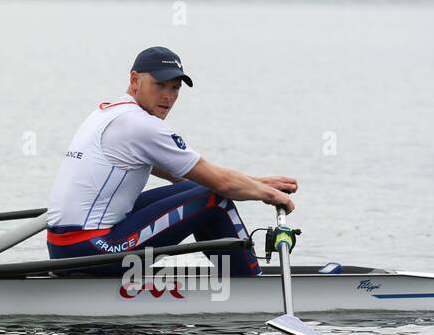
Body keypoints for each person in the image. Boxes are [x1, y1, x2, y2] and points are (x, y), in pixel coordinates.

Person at [45, 47, 297, 276]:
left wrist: (258, 183)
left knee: (196, 189)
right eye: (160, 85)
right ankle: (252, 285)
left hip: (64, 247)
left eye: (175, 88)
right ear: (135, 80)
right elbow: (222, 184)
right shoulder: (141, 125)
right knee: (216, 199)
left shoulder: (109, 112)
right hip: (91, 250)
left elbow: (186, 175)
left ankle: (239, 277)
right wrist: (271, 195)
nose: (168, 96)